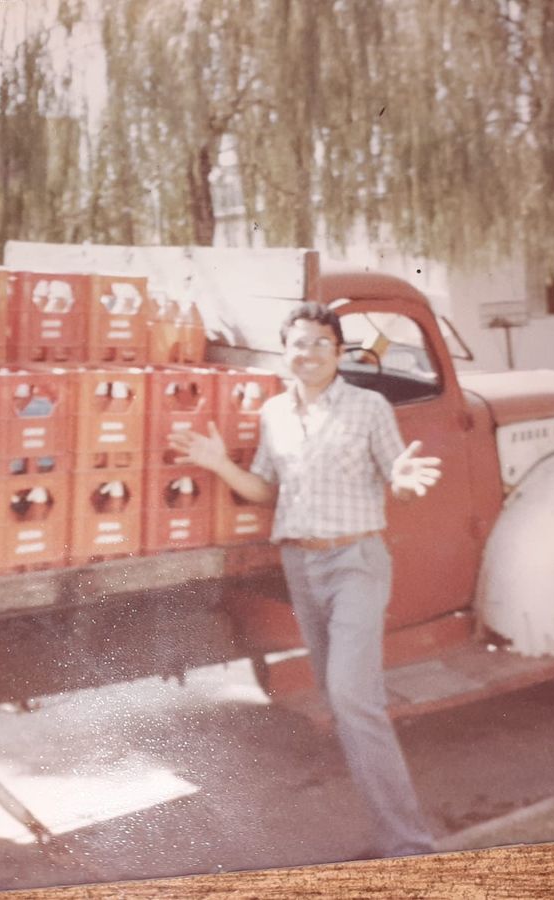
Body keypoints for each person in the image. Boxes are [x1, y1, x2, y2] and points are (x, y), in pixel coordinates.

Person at [168, 301, 442, 858]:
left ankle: (411, 846)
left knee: (351, 696)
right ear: (286, 351)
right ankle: (391, 833)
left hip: (355, 562)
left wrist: (408, 481)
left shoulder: (368, 408)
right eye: (299, 342)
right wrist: (219, 463)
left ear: (339, 352)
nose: (309, 352)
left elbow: (398, 475)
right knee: (340, 698)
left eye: (322, 342)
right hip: (301, 565)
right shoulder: (273, 414)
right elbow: (267, 489)